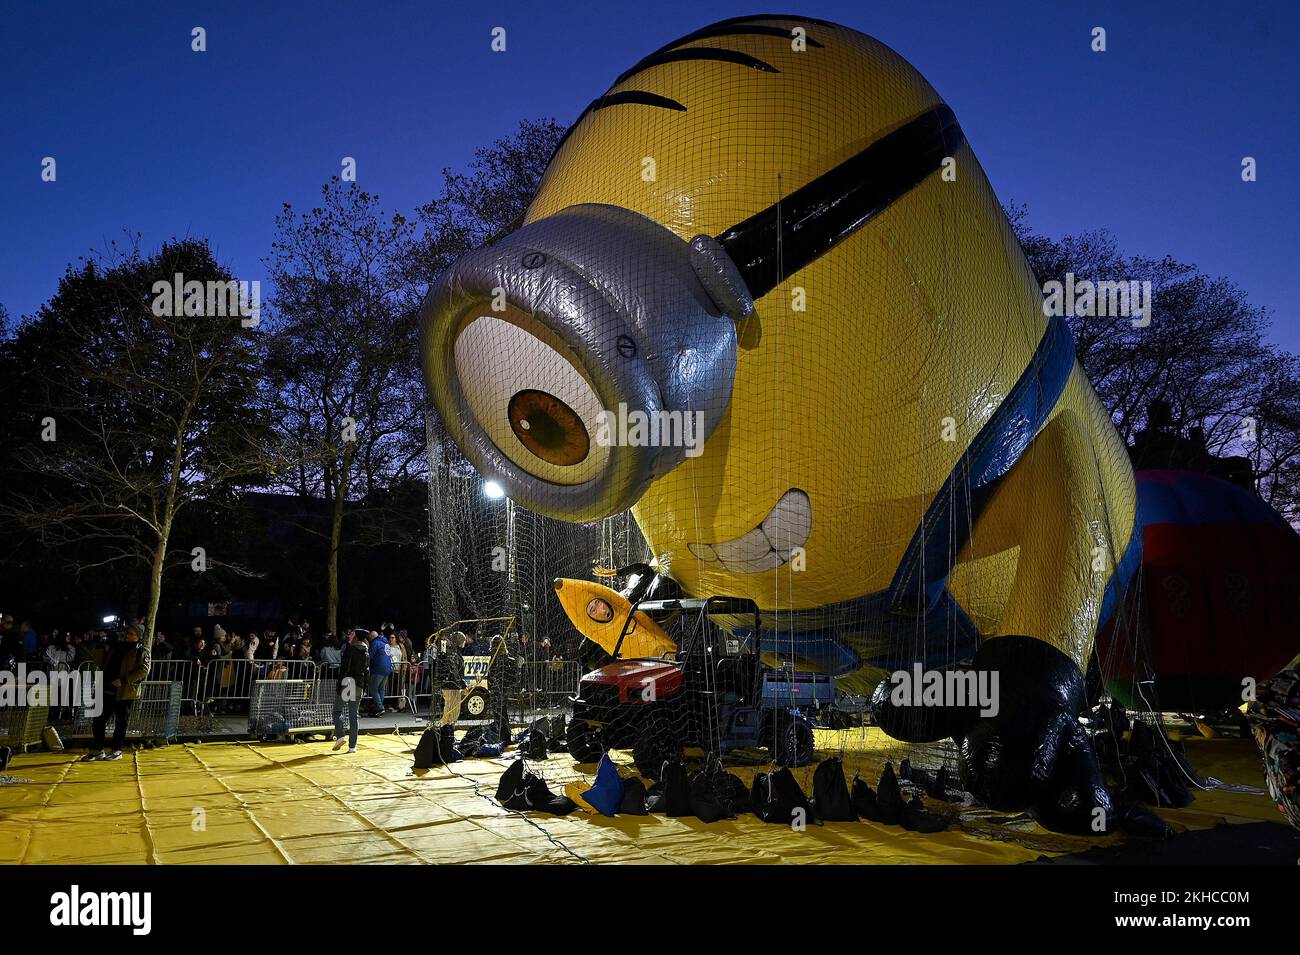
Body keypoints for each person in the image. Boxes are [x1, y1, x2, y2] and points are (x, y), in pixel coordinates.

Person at [82, 624, 151, 761]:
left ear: (138, 636)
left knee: (121, 722)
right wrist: (101, 644)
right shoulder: (116, 646)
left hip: (124, 692)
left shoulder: (141, 650)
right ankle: (98, 749)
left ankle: (116, 749)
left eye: (132, 633)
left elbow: (144, 670)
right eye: (128, 633)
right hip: (106, 688)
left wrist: (124, 680)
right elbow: (98, 660)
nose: (128, 635)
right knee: (99, 720)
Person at [333, 629, 369, 753]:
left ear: (356, 637)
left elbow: (344, 669)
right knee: (354, 715)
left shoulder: (350, 649)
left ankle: (340, 735)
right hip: (359, 684)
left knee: (337, 711)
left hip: (348, 682)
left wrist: (339, 685)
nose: (349, 636)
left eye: (352, 634)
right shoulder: (366, 652)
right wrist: (364, 686)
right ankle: (352, 746)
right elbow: (367, 671)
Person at [434, 631, 467, 728]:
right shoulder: (453, 654)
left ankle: (447, 732)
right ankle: (447, 734)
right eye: (463, 640)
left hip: (451, 685)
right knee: (452, 712)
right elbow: (455, 672)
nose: (464, 643)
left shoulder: (452, 652)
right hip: (452, 686)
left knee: (449, 710)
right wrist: (463, 686)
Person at [368, 628, 392, 715]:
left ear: (372, 636)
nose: (369, 639)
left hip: (378, 668)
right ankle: (380, 707)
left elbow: (370, 655)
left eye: (369, 637)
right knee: (381, 689)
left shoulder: (375, 643)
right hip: (387, 669)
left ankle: (379, 707)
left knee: (373, 688)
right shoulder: (386, 643)